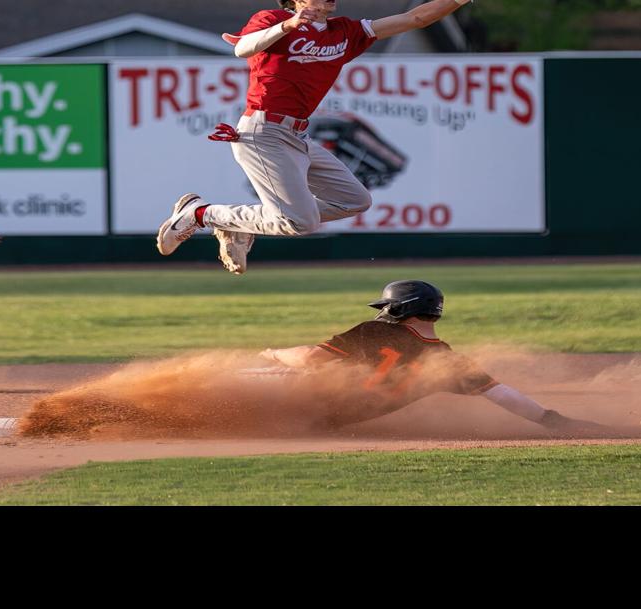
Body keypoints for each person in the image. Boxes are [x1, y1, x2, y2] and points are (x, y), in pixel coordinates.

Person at [156, 0, 474, 274]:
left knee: (355, 200)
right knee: (301, 223)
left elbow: (415, 18)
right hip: (262, 133)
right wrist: (288, 26)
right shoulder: (274, 19)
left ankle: (237, 224)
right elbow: (242, 48)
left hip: (298, 137)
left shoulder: (345, 32)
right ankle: (200, 213)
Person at [251, 280, 604, 432]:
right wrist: (550, 419)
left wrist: (274, 353)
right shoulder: (448, 362)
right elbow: (505, 396)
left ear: (399, 309)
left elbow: (311, 359)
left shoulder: (377, 332)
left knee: (237, 379)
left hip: (297, 401)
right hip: (327, 422)